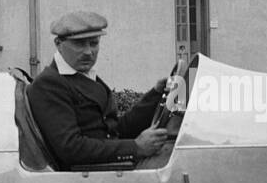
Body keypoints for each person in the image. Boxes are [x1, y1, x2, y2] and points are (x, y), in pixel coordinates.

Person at [26, 11, 171, 170]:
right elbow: (71, 148)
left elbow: (114, 130)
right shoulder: (50, 83)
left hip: (106, 166)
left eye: (94, 43)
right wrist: (135, 148)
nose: (88, 52)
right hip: (89, 175)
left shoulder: (83, 75)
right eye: (79, 44)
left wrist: (155, 95)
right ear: (58, 44)